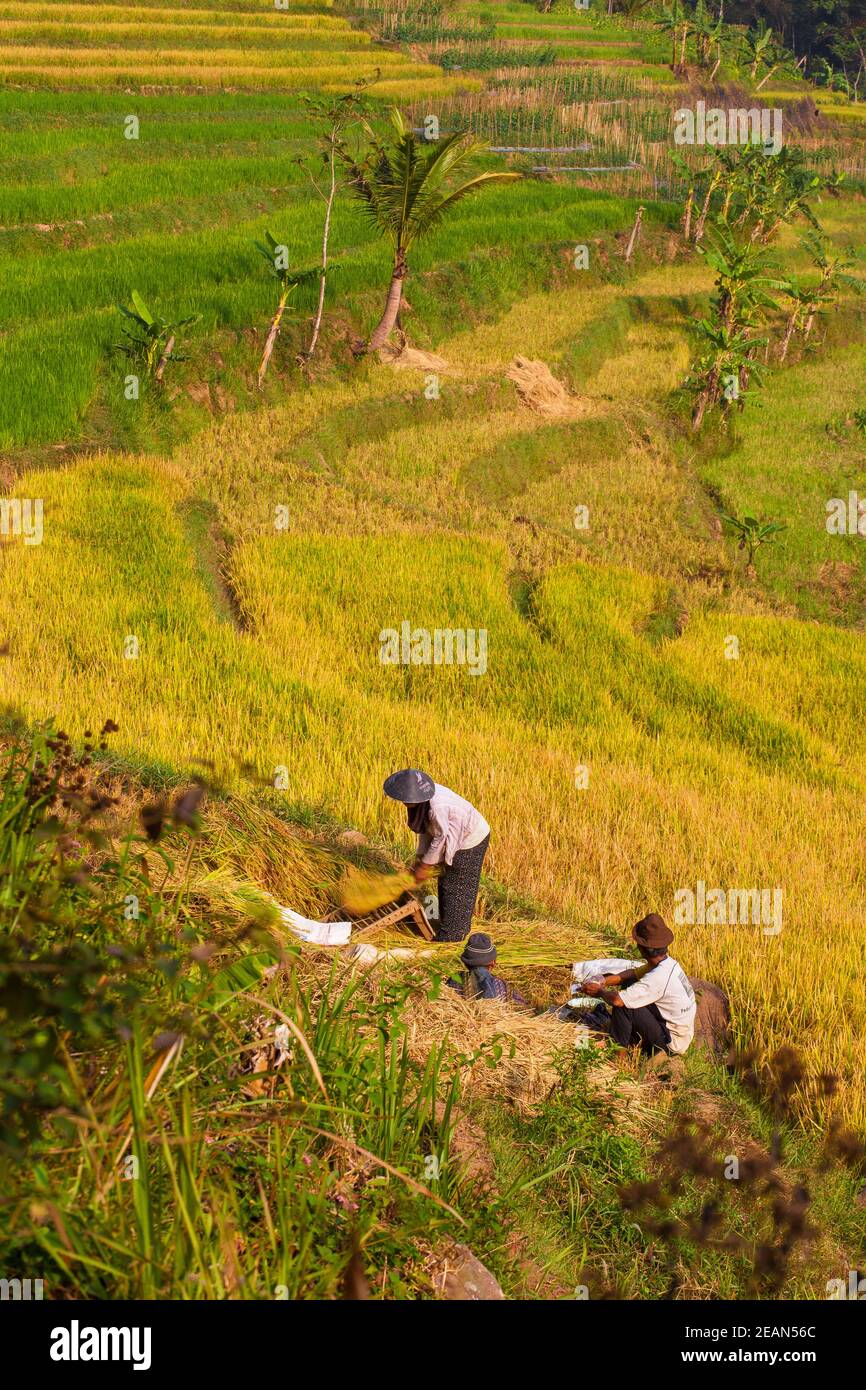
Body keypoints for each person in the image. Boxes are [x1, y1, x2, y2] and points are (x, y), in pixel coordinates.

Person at [383, 768, 490, 942]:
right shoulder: (422, 798)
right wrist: (420, 859)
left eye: (405, 799)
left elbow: (440, 838)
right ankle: (447, 925)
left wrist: (424, 866)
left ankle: (453, 936)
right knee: (445, 883)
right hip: (451, 833)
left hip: (471, 837)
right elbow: (427, 830)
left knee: (458, 884)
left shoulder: (437, 807)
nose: (403, 802)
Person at [575, 913, 696, 1056]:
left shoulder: (659, 977)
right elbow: (633, 973)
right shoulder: (666, 963)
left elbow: (618, 1000)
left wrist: (599, 992)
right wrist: (602, 980)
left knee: (623, 1005)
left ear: (642, 948)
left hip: (670, 1043)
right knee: (630, 984)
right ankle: (630, 1037)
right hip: (676, 1032)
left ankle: (619, 1056)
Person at [448, 932, 526, 1005]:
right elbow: (522, 1007)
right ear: (493, 963)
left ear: (466, 963)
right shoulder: (502, 987)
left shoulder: (454, 982)